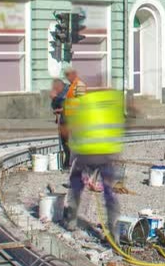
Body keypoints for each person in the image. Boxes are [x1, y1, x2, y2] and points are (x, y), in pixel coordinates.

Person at [63, 89, 124, 232]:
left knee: (76, 184)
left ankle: (71, 221)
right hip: (108, 154)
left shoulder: (82, 103)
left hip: (87, 154)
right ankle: (112, 229)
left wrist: (73, 154)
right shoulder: (112, 100)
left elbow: (74, 130)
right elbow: (119, 126)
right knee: (109, 192)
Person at [50, 78, 70, 169]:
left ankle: (69, 164)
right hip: (64, 121)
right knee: (65, 144)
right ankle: (67, 164)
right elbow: (54, 106)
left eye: (55, 88)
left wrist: (55, 99)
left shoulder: (68, 91)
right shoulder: (59, 93)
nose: (54, 90)